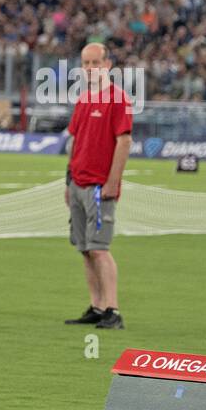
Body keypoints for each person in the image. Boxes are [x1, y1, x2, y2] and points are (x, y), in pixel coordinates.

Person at [64, 43, 133, 330]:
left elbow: (124, 141)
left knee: (100, 248)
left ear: (107, 65)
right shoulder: (84, 99)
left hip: (98, 186)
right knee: (84, 247)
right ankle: (97, 305)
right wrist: (68, 179)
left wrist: (112, 181)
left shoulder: (118, 99)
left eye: (95, 63)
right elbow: (75, 141)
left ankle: (113, 309)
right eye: (85, 63)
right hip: (79, 183)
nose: (90, 69)